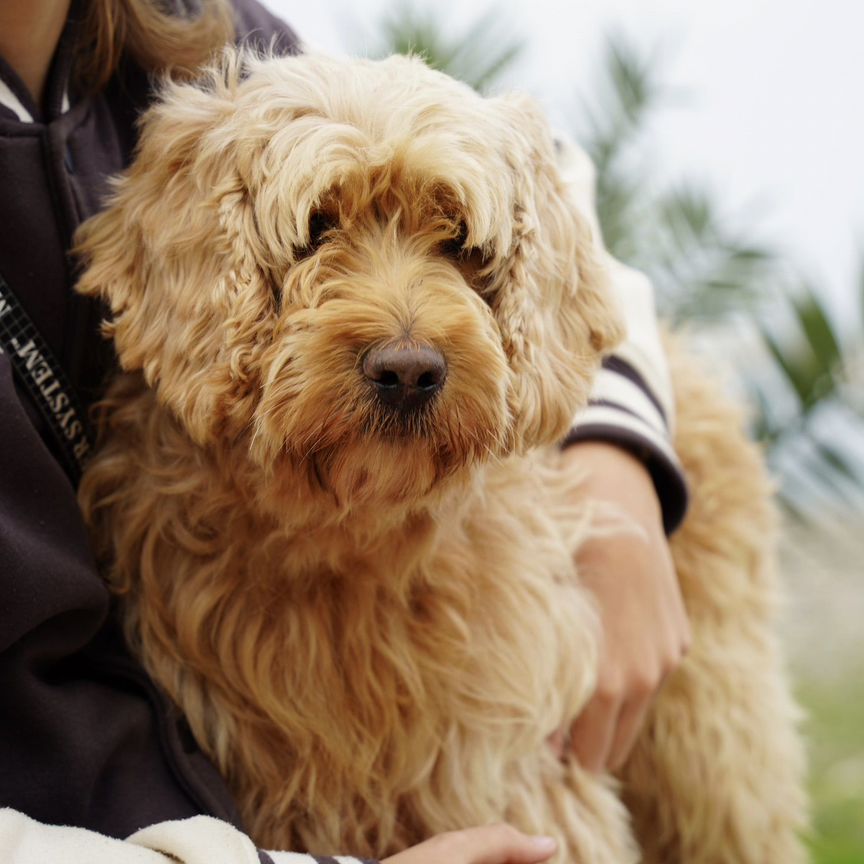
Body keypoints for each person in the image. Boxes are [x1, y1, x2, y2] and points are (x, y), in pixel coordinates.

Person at [0, 0, 690, 861]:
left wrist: (622, 470)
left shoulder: (203, 30)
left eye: (455, 247)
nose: (407, 348)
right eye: (319, 234)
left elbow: (536, 185)